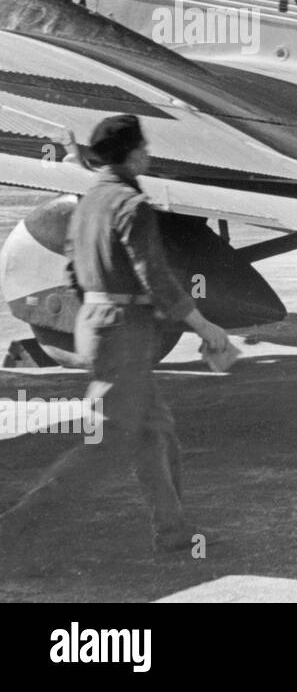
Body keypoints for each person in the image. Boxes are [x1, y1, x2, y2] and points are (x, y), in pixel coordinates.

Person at [0, 114, 230, 558]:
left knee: (156, 430)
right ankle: (12, 530)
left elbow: (72, 267)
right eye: (142, 146)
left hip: (100, 324)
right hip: (125, 330)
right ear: (129, 153)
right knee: (107, 441)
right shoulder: (130, 204)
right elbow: (155, 277)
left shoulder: (89, 200)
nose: (148, 153)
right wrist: (202, 325)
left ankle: (173, 529)